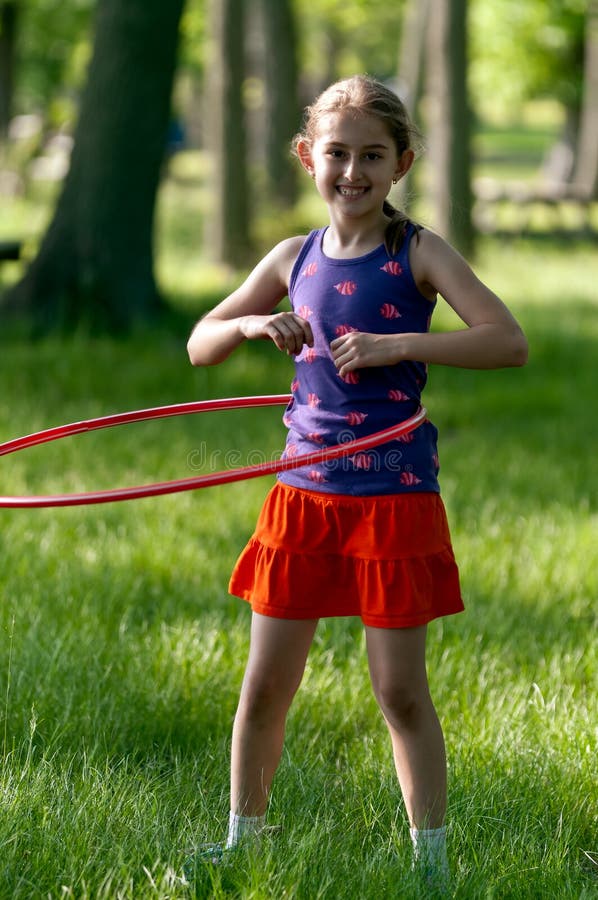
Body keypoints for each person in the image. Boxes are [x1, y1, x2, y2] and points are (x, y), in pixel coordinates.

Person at [185, 75, 528, 885]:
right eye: (337, 153)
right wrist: (248, 322)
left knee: (399, 691)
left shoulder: (418, 252)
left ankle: (432, 868)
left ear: (401, 162)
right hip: (303, 499)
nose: (353, 172)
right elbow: (200, 344)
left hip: (393, 500)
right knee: (266, 684)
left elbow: (505, 340)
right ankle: (243, 841)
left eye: (373, 155)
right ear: (309, 156)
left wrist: (399, 345)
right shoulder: (290, 257)